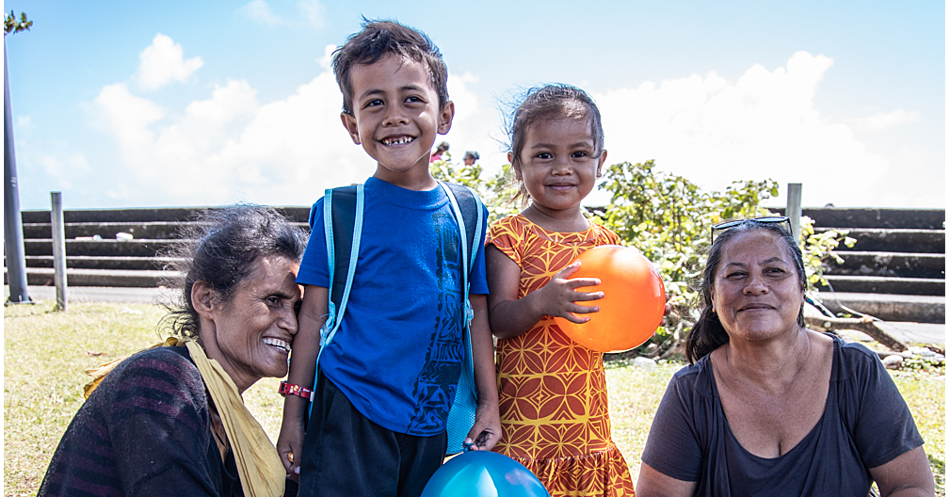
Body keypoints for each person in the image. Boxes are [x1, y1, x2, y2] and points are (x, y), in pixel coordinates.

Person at [276, 20, 501, 497]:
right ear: (351, 125)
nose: (394, 115)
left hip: (429, 418)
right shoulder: (341, 212)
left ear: (445, 115)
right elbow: (314, 316)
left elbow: (474, 313)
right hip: (349, 411)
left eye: (412, 99)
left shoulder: (466, 213)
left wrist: (488, 404)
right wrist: (294, 414)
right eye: (374, 102)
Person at [636, 218, 934, 497]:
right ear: (713, 297)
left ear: (802, 288)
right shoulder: (691, 392)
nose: (755, 286)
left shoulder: (855, 371)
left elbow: (910, 486)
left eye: (774, 271)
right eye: (736, 274)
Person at [37, 206, 308, 497]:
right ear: (207, 300)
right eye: (273, 300)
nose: (292, 324)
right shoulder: (159, 382)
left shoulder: (224, 414)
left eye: (297, 308)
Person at [486, 84, 637, 496]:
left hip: (585, 424)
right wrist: (540, 303)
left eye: (579, 154)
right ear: (517, 164)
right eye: (544, 155)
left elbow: (620, 314)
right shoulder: (510, 235)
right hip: (524, 424)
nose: (562, 167)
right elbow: (496, 319)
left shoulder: (606, 242)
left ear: (600, 161)